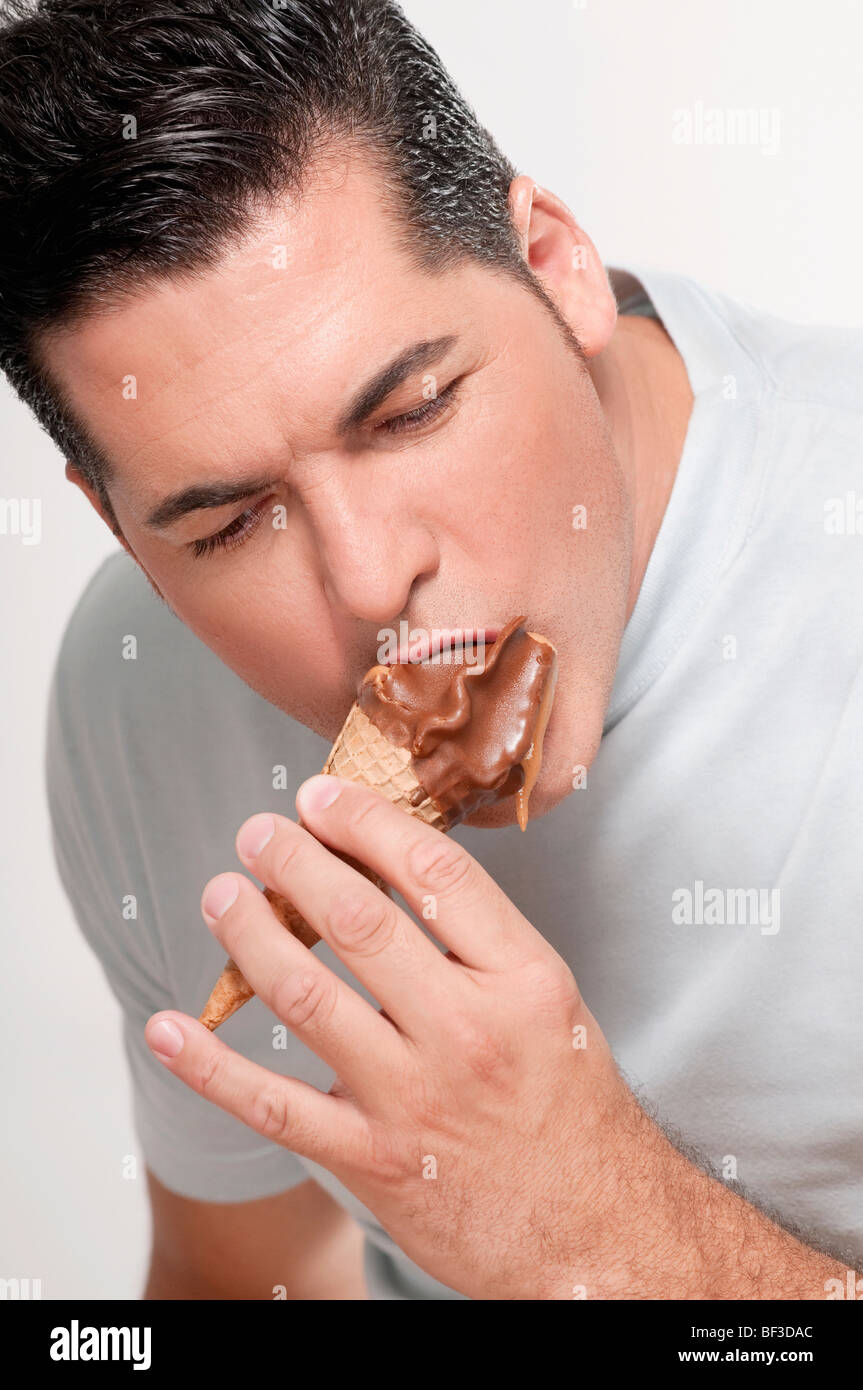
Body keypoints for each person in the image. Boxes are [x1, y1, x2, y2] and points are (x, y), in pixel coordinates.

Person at [3, 0, 860, 1299]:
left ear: (557, 262)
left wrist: (607, 1232)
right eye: (231, 521)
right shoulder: (138, 695)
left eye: (411, 409)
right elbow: (252, 1277)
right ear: (115, 526)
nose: (363, 581)